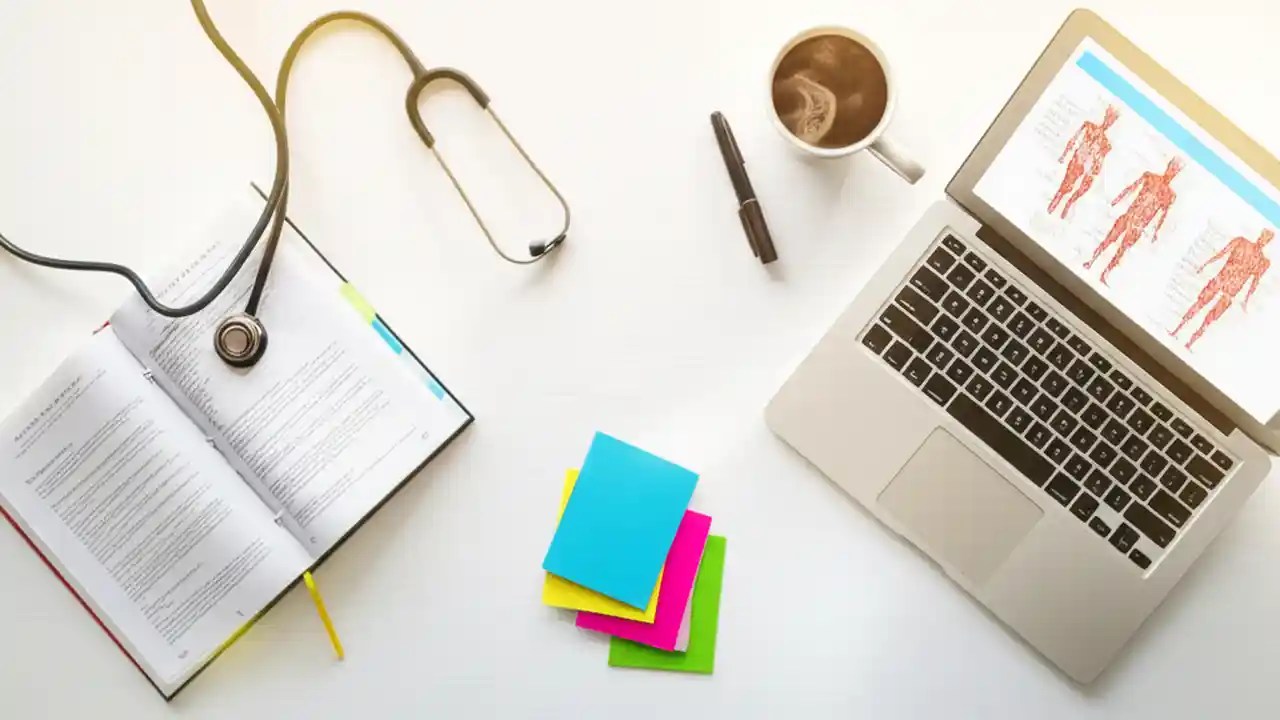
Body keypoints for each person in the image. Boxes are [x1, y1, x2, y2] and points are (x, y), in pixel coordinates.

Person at [1084, 157, 1183, 285]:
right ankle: (1091, 261)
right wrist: (1118, 198)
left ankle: (1105, 273)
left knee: (1122, 250)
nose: (1172, 172)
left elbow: (1163, 214)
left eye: (1175, 171)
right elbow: (1132, 187)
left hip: (1139, 225)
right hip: (1129, 215)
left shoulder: (1169, 195)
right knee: (1109, 239)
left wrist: (1156, 232)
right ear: (1168, 166)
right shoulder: (1150, 177)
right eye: (1172, 168)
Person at [1171, 228, 1273, 349]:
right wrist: (1205, 264)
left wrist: (1246, 300)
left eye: (1266, 238)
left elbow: (1254, 283)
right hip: (1222, 281)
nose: (1262, 240)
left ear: (1267, 241)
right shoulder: (1242, 243)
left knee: (1209, 317)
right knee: (1200, 305)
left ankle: (1189, 341)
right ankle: (1178, 331)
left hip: (1230, 289)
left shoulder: (1262, 261)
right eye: (1263, 236)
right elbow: (1221, 254)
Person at [1048, 106, 1119, 219]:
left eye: (1113, 120)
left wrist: (1094, 172)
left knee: (1084, 186)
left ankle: (1069, 203)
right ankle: (1054, 204)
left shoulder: (1106, 144)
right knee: (1065, 186)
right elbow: (1073, 139)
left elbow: (1100, 160)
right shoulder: (1089, 126)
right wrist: (1064, 155)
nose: (1109, 122)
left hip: (1089, 167)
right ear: (1106, 115)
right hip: (1078, 160)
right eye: (1109, 117)